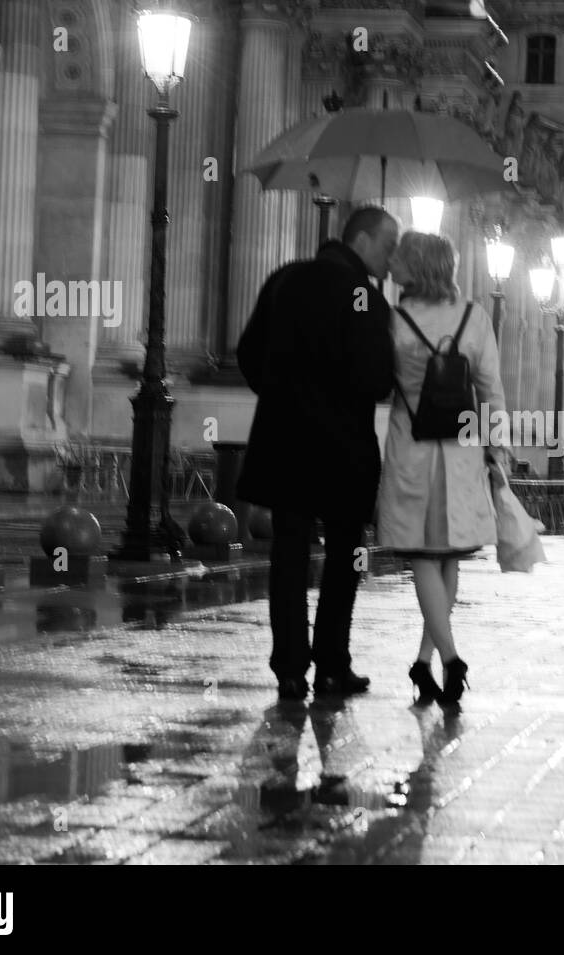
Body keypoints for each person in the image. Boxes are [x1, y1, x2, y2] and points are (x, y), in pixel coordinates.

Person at [236, 207, 399, 703]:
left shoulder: (285, 279)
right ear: (364, 240)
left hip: (284, 442)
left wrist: (282, 394)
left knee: (287, 554)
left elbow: (247, 353)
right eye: (388, 247)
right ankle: (332, 665)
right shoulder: (364, 298)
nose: (391, 260)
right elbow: (378, 382)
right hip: (342, 450)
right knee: (344, 555)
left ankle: (289, 668)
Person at [377, 231, 508, 706]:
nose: (391, 266)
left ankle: (449, 660)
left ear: (417, 266)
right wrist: (498, 449)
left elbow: (377, 384)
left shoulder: (394, 321)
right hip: (462, 451)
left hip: (413, 448)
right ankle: (423, 662)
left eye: (400, 260)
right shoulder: (474, 317)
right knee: (448, 556)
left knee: (424, 556)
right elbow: (492, 391)